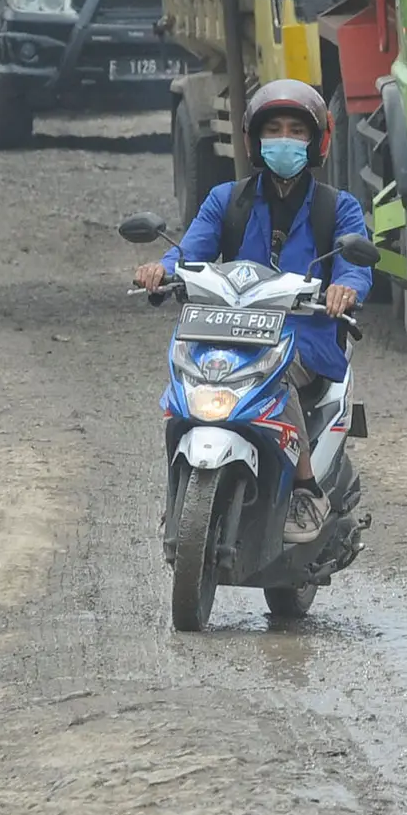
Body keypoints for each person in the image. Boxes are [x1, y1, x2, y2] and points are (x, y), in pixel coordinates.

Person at [137, 80, 371, 543]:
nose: (284, 140)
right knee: (184, 379)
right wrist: (161, 270)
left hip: (304, 337)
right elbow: (189, 251)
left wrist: (345, 288)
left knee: (276, 376)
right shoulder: (227, 199)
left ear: (315, 142)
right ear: (256, 140)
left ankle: (305, 488)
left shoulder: (337, 208)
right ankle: (180, 491)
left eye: (296, 131)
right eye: (274, 130)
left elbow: (355, 267)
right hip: (229, 329)